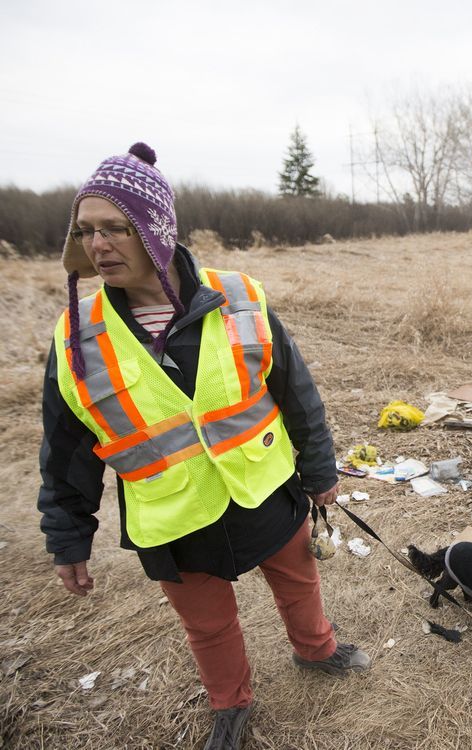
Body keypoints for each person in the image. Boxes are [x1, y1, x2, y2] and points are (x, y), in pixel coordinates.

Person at [37, 142, 370, 750]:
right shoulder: (76, 337)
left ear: (155, 230)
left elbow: (295, 390)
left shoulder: (239, 295)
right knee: (208, 626)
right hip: (174, 515)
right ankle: (230, 705)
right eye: (86, 231)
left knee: (298, 582)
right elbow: (64, 447)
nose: (98, 244)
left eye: (115, 228)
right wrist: (68, 536)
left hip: (265, 488)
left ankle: (317, 651)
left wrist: (320, 468)